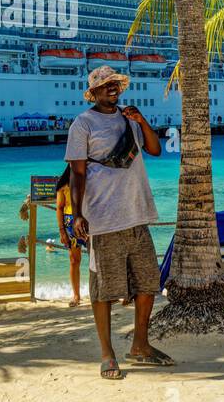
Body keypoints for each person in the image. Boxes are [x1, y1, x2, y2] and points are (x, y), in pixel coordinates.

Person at [65, 65, 172, 380]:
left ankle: (140, 344)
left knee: (148, 283)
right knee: (103, 290)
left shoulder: (129, 119)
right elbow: (77, 172)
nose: (112, 89)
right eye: (106, 85)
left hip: (137, 214)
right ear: (94, 92)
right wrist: (76, 214)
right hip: (104, 217)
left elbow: (154, 150)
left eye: (115, 84)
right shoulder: (83, 124)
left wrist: (142, 121)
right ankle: (107, 353)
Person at [54, 166, 84, 307]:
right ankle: (76, 295)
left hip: (88, 219)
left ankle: (101, 291)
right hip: (70, 222)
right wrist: (62, 231)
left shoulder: (88, 178)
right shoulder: (63, 183)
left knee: (96, 259)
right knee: (74, 260)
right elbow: (59, 207)